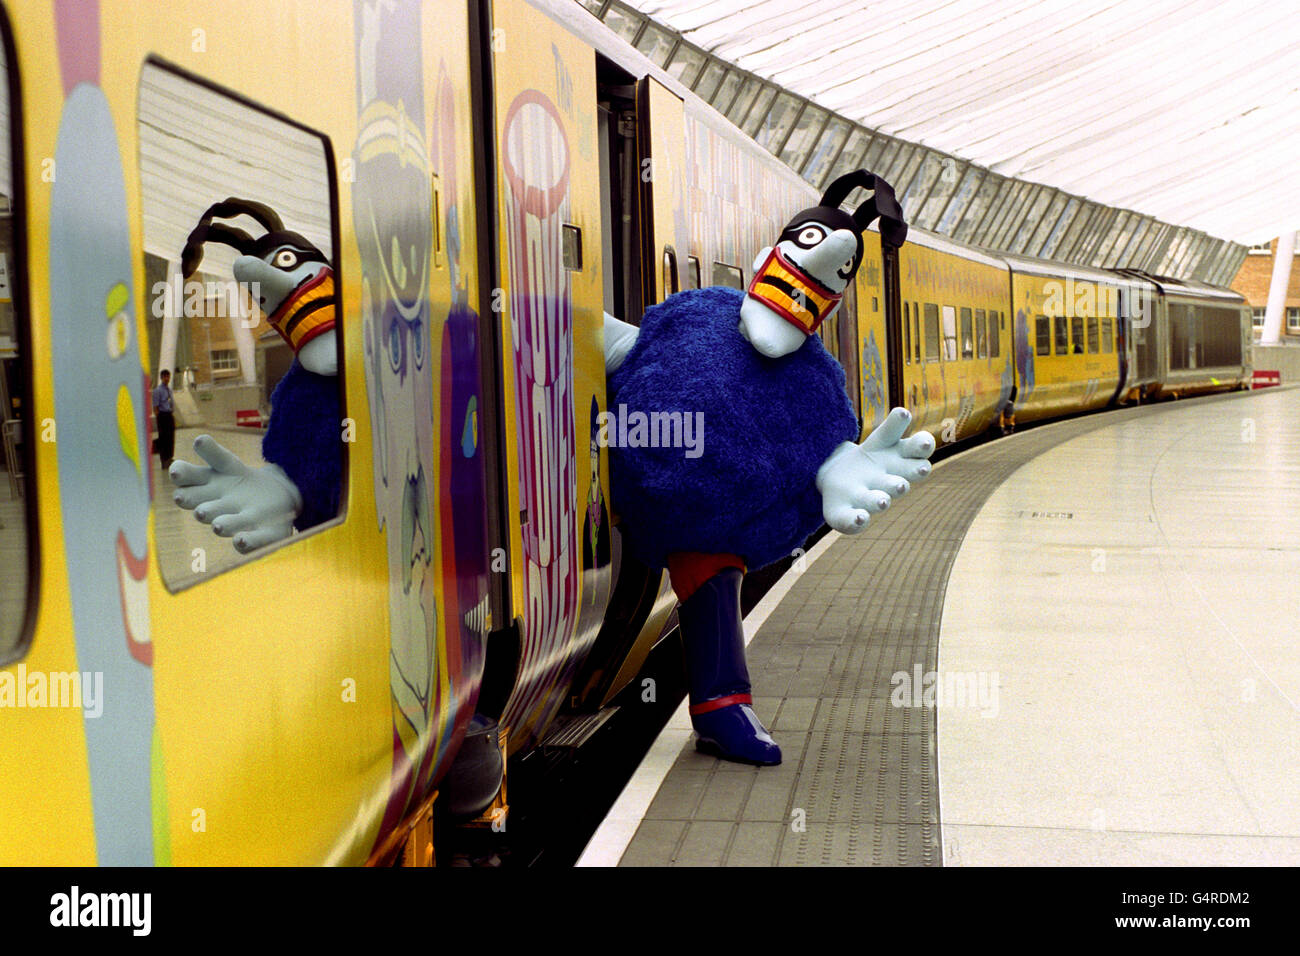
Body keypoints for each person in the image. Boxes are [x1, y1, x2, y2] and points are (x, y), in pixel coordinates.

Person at [152, 369, 175, 470]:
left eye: (168, 376)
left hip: (169, 415)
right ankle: (164, 460)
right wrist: (159, 418)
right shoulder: (157, 391)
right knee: (163, 438)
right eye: (165, 376)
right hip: (162, 416)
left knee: (171, 438)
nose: (167, 379)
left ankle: (170, 457)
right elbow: (155, 406)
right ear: (161, 378)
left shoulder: (169, 390)